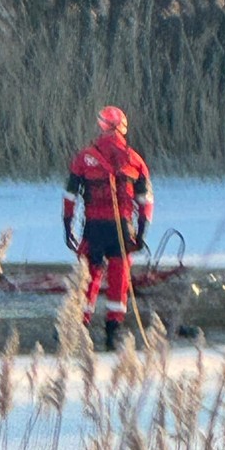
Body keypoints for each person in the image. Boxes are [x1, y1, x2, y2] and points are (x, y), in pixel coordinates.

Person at [63, 105, 154, 350]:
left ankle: (80, 327)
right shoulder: (135, 160)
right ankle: (113, 332)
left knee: (89, 277)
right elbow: (145, 201)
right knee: (119, 279)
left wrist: (68, 225)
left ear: (101, 125)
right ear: (123, 127)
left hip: (94, 228)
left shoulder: (84, 157)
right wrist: (141, 232)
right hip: (122, 229)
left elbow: (70, 196)